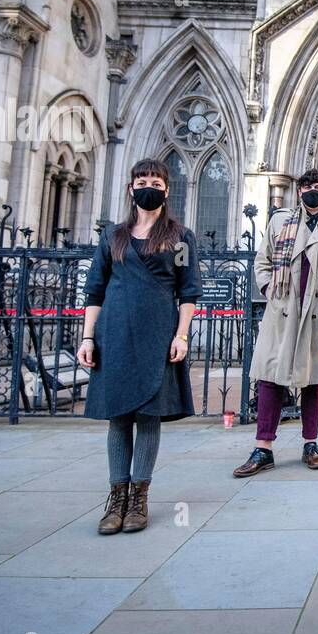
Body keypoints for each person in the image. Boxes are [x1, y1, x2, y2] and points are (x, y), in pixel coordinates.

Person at [79, 158, 203, 534]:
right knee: (118, 417)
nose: (148, 185)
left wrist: (181, 335)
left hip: (157, 335)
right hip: (113, 334)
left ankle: (139, 498)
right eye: (141, 180)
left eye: (155, 180)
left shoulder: (180, 237)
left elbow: (189, 291)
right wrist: (87, 336)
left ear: (167, 189)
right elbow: (95, 290)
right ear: (131, 188)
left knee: (148, 416)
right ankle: (116, 497)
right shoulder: (112, 236)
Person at [236, 170, 318, 477]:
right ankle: (263, 447)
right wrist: (269, 288)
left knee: (313, 380)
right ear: (298, 191)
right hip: (283, 309)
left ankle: (311, 444)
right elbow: (262, 261)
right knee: (270, 378)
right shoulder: (279, 222)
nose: (313, 192)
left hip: (317, 312)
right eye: (308, 187)